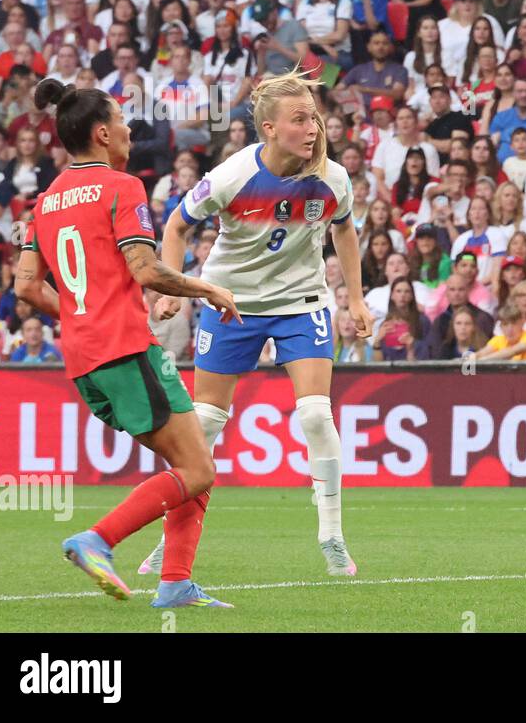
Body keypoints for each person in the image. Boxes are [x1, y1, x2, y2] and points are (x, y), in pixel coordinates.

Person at [14, 79, 241, 609]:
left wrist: (77, 311)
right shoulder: (122, 187)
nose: (128, 129)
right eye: (120, 120)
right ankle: (96, 541)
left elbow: (26, 285)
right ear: (100, 133)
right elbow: (144, 267)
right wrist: (204, 286)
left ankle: (176, 584)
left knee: (191, 467)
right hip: (124, 349)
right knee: (198, 469)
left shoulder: (43, 203)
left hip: (83, 361)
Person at [150, 70, 374, 578]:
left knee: (316, 415)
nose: (312, 128)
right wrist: (170, 289)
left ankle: (333, 535)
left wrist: (355, 300)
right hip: (232, 302)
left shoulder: (333, 177)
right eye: (299, 120)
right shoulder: (232, 177)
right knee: (203, 425)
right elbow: (177, 225)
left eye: (313, 117)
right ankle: (170, 542)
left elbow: (345, 233)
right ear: (269, 129)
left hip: (302, 301)